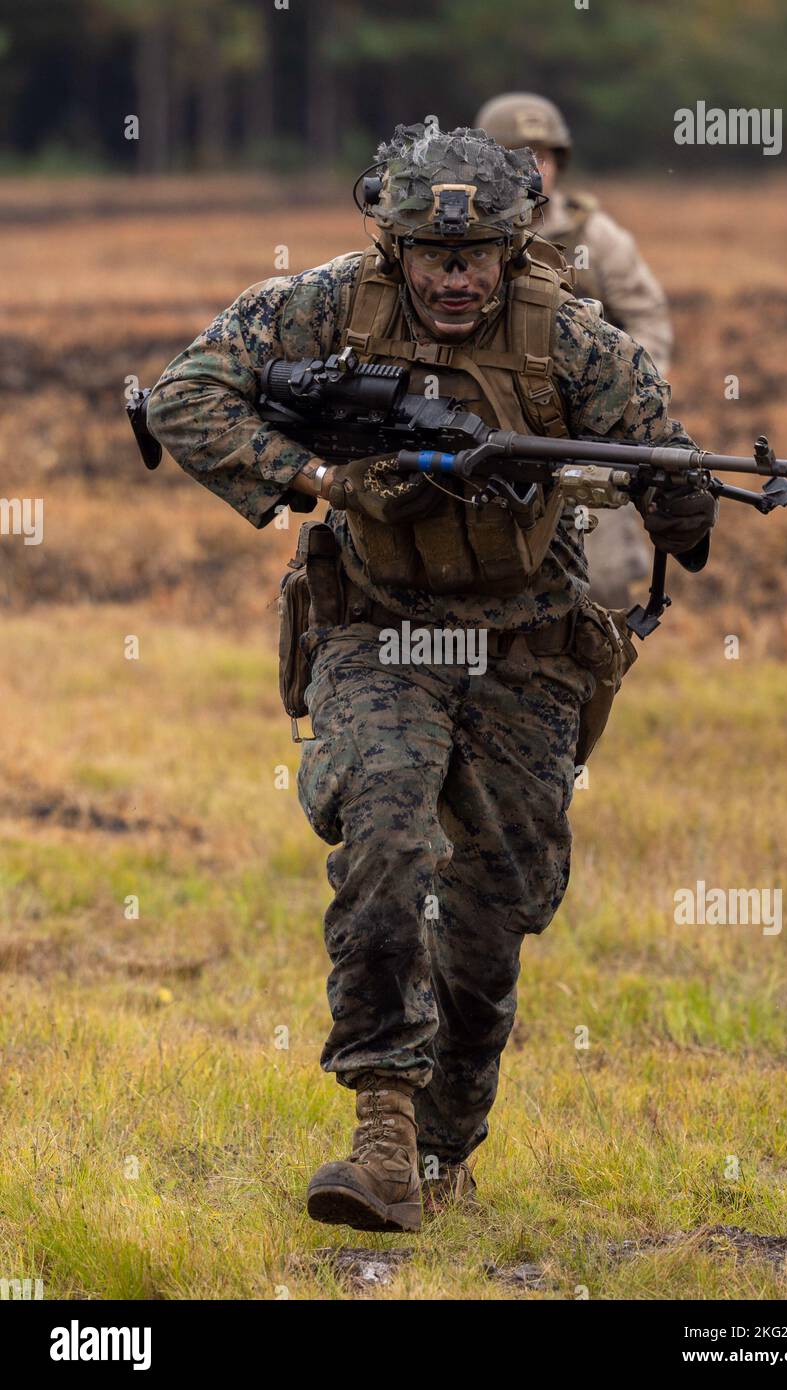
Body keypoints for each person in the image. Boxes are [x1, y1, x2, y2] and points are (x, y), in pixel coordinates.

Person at [147, 118, 715, 1234]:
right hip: (379, 628)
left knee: (496, 910)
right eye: (429, 255)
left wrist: (685, 501)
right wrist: (320, 476)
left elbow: (664, 455)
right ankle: (383, 1131)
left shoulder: (576, 340)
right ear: (391, 243)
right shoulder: (321, 306)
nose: (453, 279)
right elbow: (184, 395)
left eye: (475, 257)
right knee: (388, 839)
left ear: (512, 247)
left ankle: (450, 1133)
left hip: (524, 641)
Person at [475, 92, 674, 608]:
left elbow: (648, 320)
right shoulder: (462, 233)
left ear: (559, 162)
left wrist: (627, 400)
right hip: (487, 426)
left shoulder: (596, 236)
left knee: (601, 579)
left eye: (542, 156)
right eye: (515, 156)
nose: (532, 169)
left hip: (582, 436)